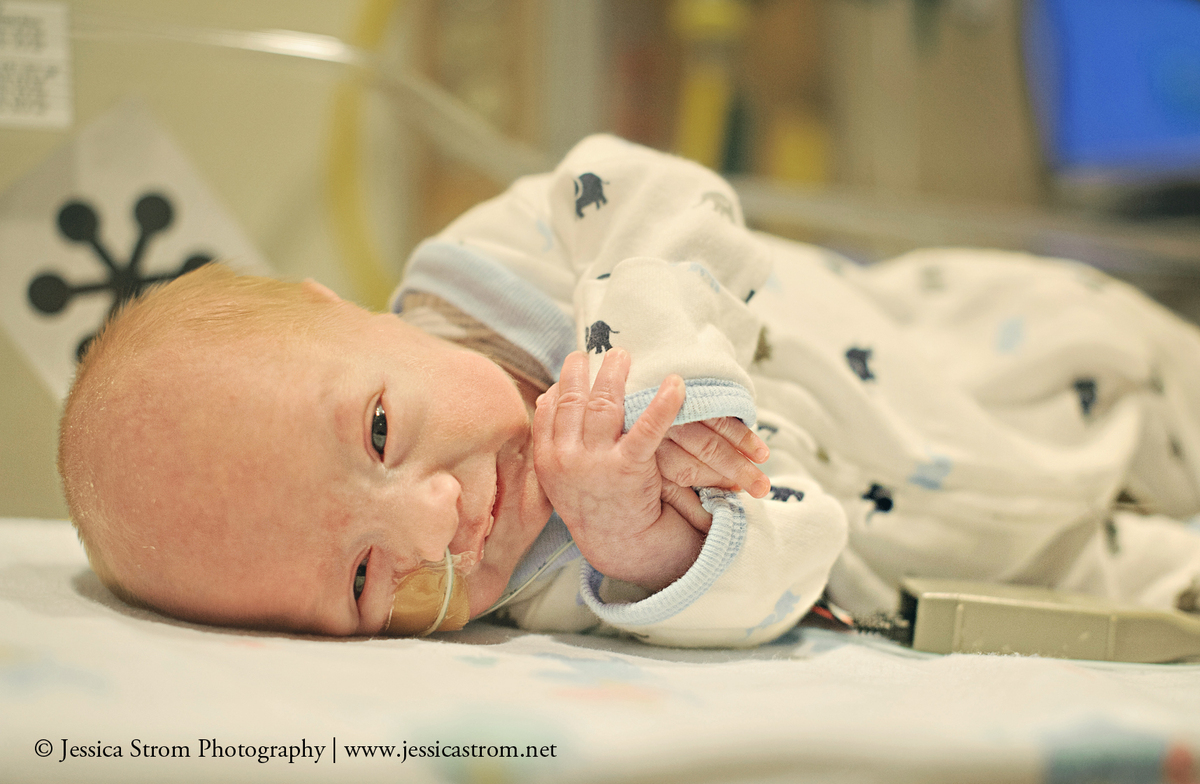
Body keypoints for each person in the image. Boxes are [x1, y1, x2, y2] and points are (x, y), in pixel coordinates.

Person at [59, 135, 1200, 648]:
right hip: (1023, 568)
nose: (434, 525)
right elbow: (795, 564)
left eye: (376, 430)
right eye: (363, 583)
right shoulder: (555, 601)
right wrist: (650, 551)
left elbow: (666, 194)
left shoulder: (511, 256)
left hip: (1012, 362)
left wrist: (649, 365)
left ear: (348, 308)